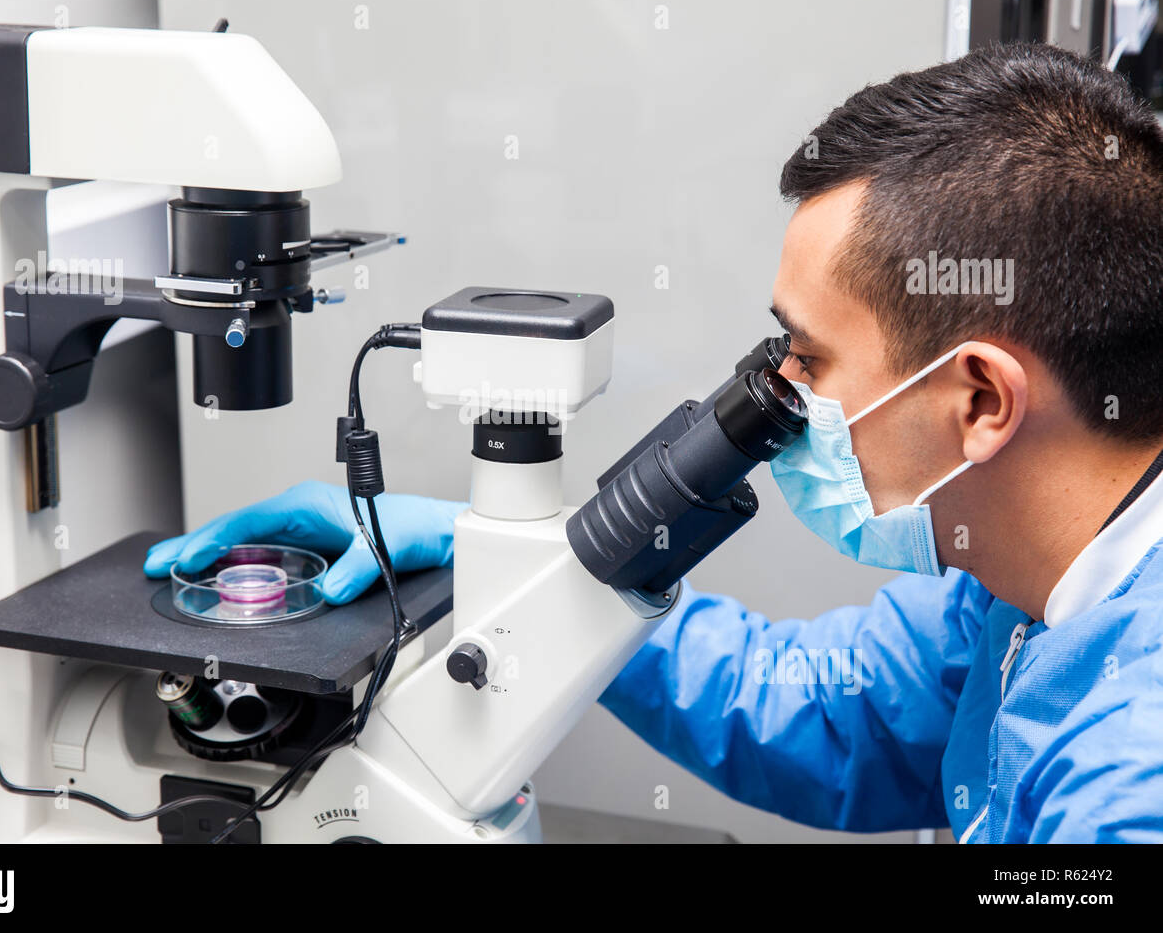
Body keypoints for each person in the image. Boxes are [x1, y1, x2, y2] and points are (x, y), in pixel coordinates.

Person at [145, 43, 1163, 842]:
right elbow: (836, 714)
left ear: (980, 398)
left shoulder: (1133, 772)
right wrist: (504, 562)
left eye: (806, 354)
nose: (782, 389)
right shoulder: (1025, 586)